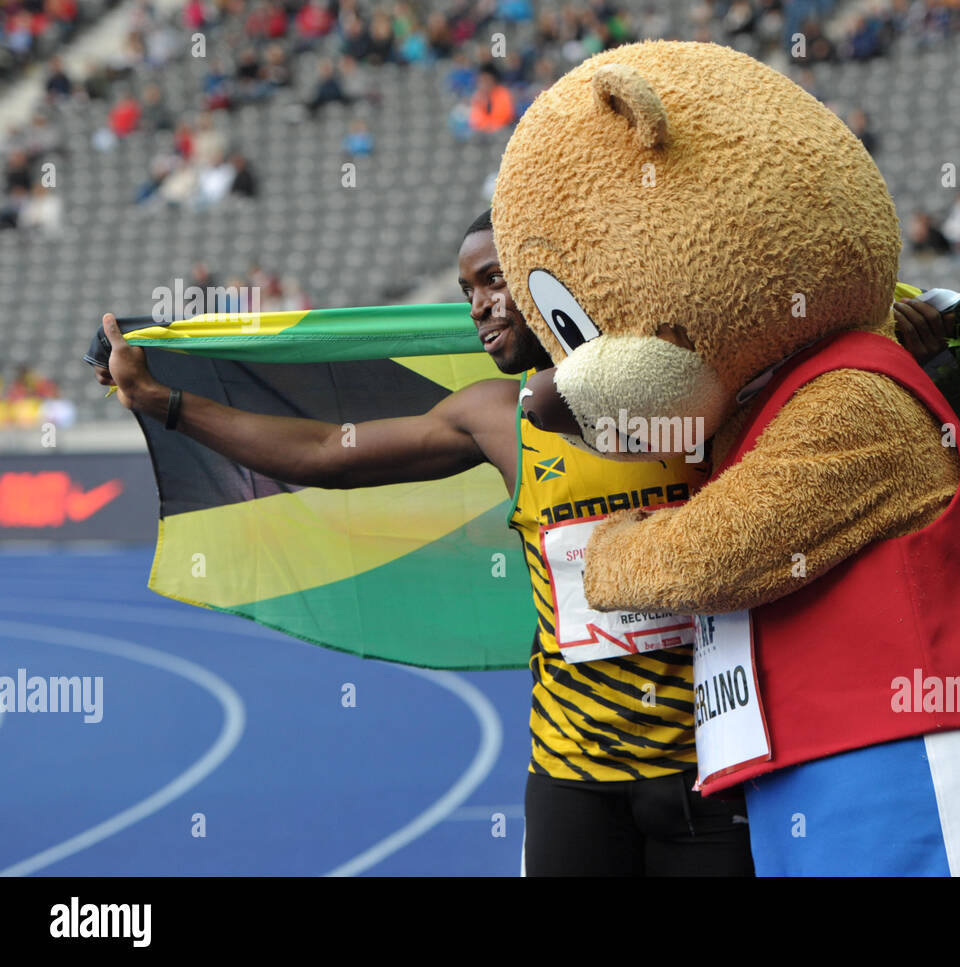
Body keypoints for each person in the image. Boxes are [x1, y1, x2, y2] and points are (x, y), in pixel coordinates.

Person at [94, 210, 754, 877]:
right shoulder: (499, 417)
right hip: (571, 777)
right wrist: (162, 399)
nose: (478, 307)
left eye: (494, 280)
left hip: (709, 766)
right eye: (467, 290)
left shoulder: (694, 395)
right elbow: (327, 452)